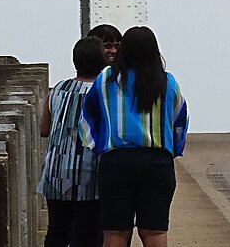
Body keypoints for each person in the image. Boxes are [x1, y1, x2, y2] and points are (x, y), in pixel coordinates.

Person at [81, 26, 188, 247]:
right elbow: (180, 120)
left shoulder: (106, 79)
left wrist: (99, 147)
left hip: (116, 161)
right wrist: (173, 150)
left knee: (116, 232)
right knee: (155, 231)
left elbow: (87, 117)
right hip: (157, 161)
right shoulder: (168, 82)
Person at [39, 37, 106, 247]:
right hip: (90, 172)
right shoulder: (103, 91)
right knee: (87, 233)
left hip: (56, 171)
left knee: (57, 231)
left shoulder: (57, 89)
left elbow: (44, 130)